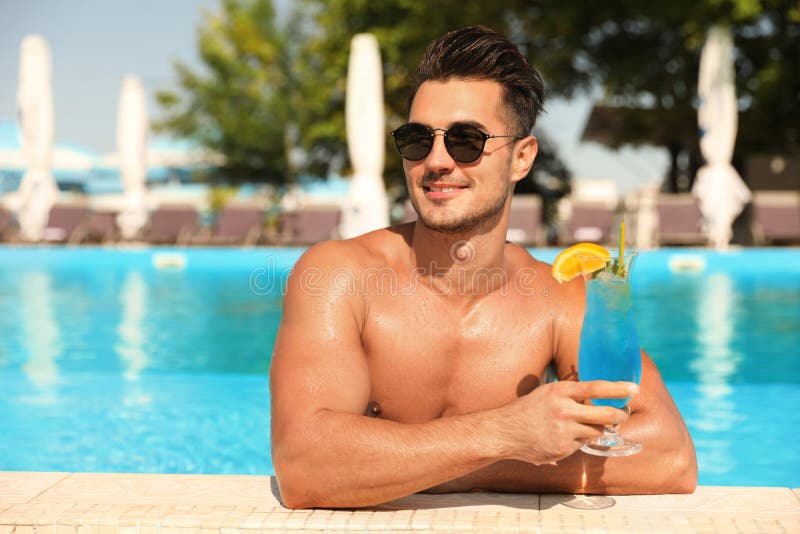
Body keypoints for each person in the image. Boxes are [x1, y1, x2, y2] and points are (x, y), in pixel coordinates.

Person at [270, 25, 697, 509]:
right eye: (416, 140)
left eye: (466, 140)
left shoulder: (559, 296)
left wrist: (439, 462)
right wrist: (505, 433)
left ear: (521, 159)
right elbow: (302, 465)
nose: (436, 161)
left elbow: (670, 454)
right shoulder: (337, 275)